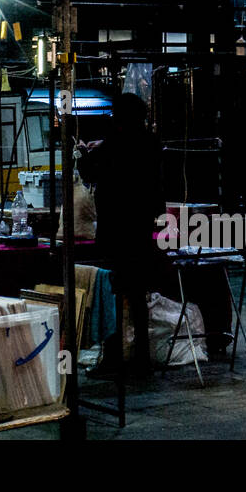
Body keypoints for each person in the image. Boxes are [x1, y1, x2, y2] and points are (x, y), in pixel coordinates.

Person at [78, 93, 162, 375]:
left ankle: (113, 355)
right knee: (137, 295)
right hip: (140, 228)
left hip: (115, 228)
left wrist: (83, 153)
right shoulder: (150, 142)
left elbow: (90, 172)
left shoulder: (113, 143)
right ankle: (142, 358)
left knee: (112, 292)